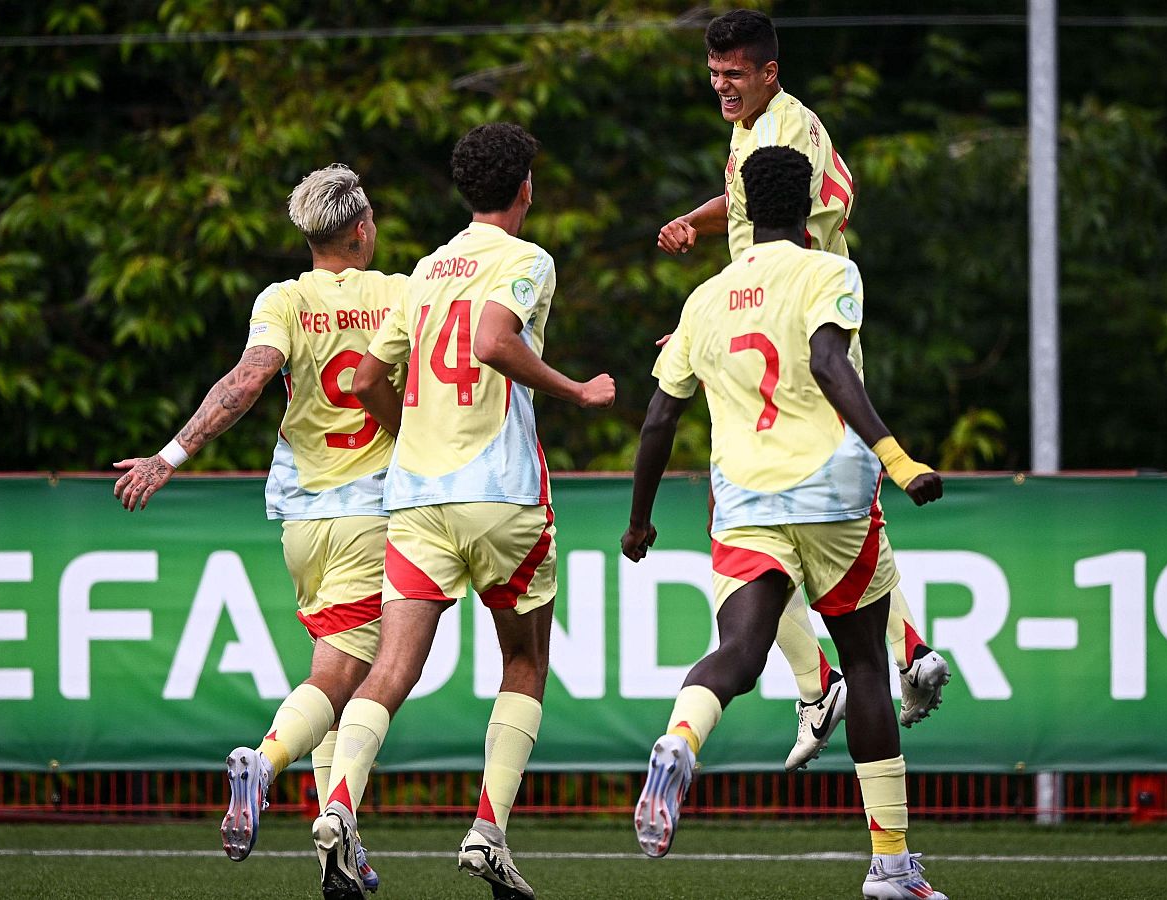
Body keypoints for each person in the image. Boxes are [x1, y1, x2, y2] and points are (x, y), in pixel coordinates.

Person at [624, 146, 948, 899]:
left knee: (737, 652)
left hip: (745, 504)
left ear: (740, 210)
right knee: (866, 666)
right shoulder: (830, 271)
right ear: (807, 209)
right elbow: (832, 366)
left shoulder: (704, 299)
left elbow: (659, 418)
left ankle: (679, 741)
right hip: (832, 496)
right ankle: (892, 866)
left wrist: (640, 522)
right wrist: (898, 460)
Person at [310, 123, 614, 900]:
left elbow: (365, 377)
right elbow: (490, 339)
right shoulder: (527, 259)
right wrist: (578, 390)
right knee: (523, 662)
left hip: (416, 497)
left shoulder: (424, 270)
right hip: (503, 496)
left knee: (391, 667)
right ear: (525, 189)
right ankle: (488, 831)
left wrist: (410, 435)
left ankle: (339, 805)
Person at [657, 9, 949, 766]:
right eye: (714, 72)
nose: (721, 86)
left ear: (767, 72)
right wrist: (699, 219)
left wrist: (714, 320)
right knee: (833, 523)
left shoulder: (780, 134)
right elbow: (766, 202)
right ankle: (904, 650)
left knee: (750, 527)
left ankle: (823, 685)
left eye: (733, 75)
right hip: (792, 327)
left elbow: (792, 221)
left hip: (798, 335)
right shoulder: (772, 123)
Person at [112, 164, 397, 888]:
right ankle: (264, 763)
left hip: (302, 518)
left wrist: (169, 455)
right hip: (368, 510)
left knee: (331, 675)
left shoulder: (283, 298)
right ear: (362, 228)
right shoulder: (398, 292)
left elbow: (245, 381)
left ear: (310, 236)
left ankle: (340, 840)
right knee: (342, 680)